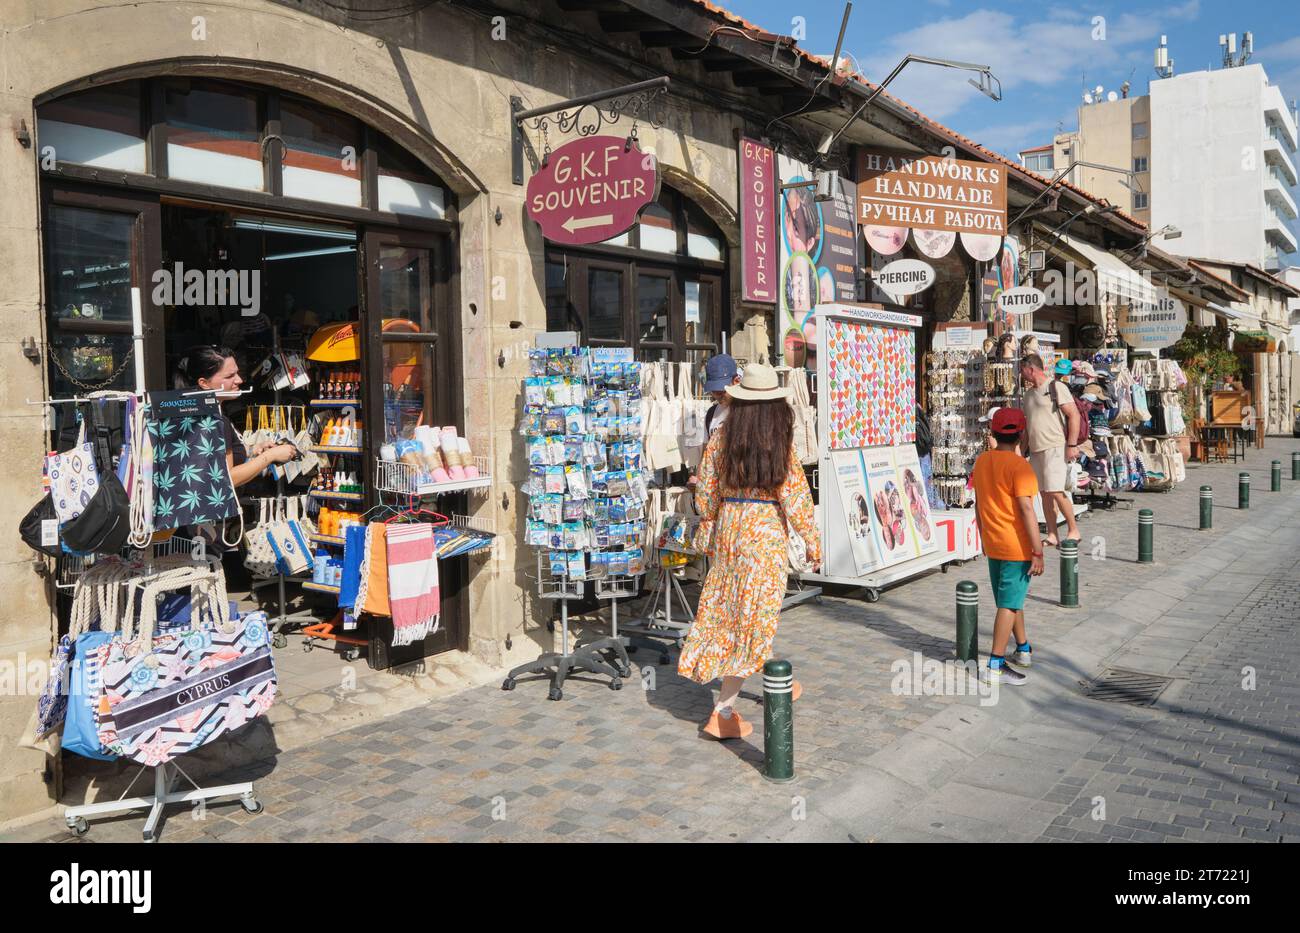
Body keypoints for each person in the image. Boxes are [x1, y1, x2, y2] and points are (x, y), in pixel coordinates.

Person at [678, 363, 820, 740]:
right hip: (765, 534)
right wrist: (812, 540)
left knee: (734, 611)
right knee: (756, 615)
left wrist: (715, 519)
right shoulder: (778, 443)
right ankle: (723, 711)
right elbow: (796, 498)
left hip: (730, 529)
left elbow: (705, 496)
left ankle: (780, 682)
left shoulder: (721, 439)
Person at [970, 408, 1044, 685]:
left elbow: (979, 504)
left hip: (994, 543)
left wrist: (983, 537)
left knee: (1012, 599)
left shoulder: (982, 461)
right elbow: (1026, 509)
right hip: (1017, 546)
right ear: (1021, 435)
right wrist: (1037, 550)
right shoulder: (1020, 467)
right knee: (1008, 605)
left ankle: (1023, 648)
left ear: (993, 432)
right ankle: (995, 663)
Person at [181, 345, 297, 489]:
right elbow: (229, 478)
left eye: (237, 373)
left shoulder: (188, 414)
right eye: (230, 376)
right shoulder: (215, 421)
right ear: (204, 383)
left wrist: (251, 450)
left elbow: (211, 459)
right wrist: (271, 456)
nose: (239, 380)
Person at [1019, 352, 1081, 546]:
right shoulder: (1028, 395)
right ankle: (1053, 534)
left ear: (1031, 369)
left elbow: (1074, 415)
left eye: (1023, 371)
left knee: (1055, 490)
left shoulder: (1056, 387)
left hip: (1055, 446)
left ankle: (1074, 530)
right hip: (1037, 450)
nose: (1022, 376)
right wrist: (1021, 452)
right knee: (1044, 493)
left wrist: (1071, 444)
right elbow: (1029, 426)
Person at [701, 353, 740, 436]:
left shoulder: (748, 411)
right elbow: (706, 447)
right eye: (713, 391)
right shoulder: (711, 414)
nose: (716, 396)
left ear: (736, 381)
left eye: (721, 391)